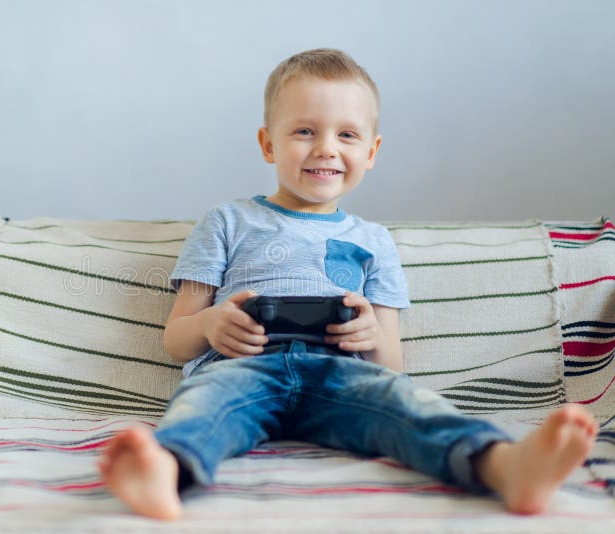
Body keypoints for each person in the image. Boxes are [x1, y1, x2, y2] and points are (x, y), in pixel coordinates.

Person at [97, 48, 599, 521]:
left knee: (409, 408)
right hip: (239, 371)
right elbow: (174, 339)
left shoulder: (374, 240)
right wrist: (211, 324)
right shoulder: (227, 221)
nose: (326, 149)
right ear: (268, 142)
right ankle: (163, 470)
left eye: (347, 136)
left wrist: (368, 335)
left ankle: (503, 465)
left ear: (372, 151)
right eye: (304, 131)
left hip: (341, 376)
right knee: (202, 410)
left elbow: (392, 365)